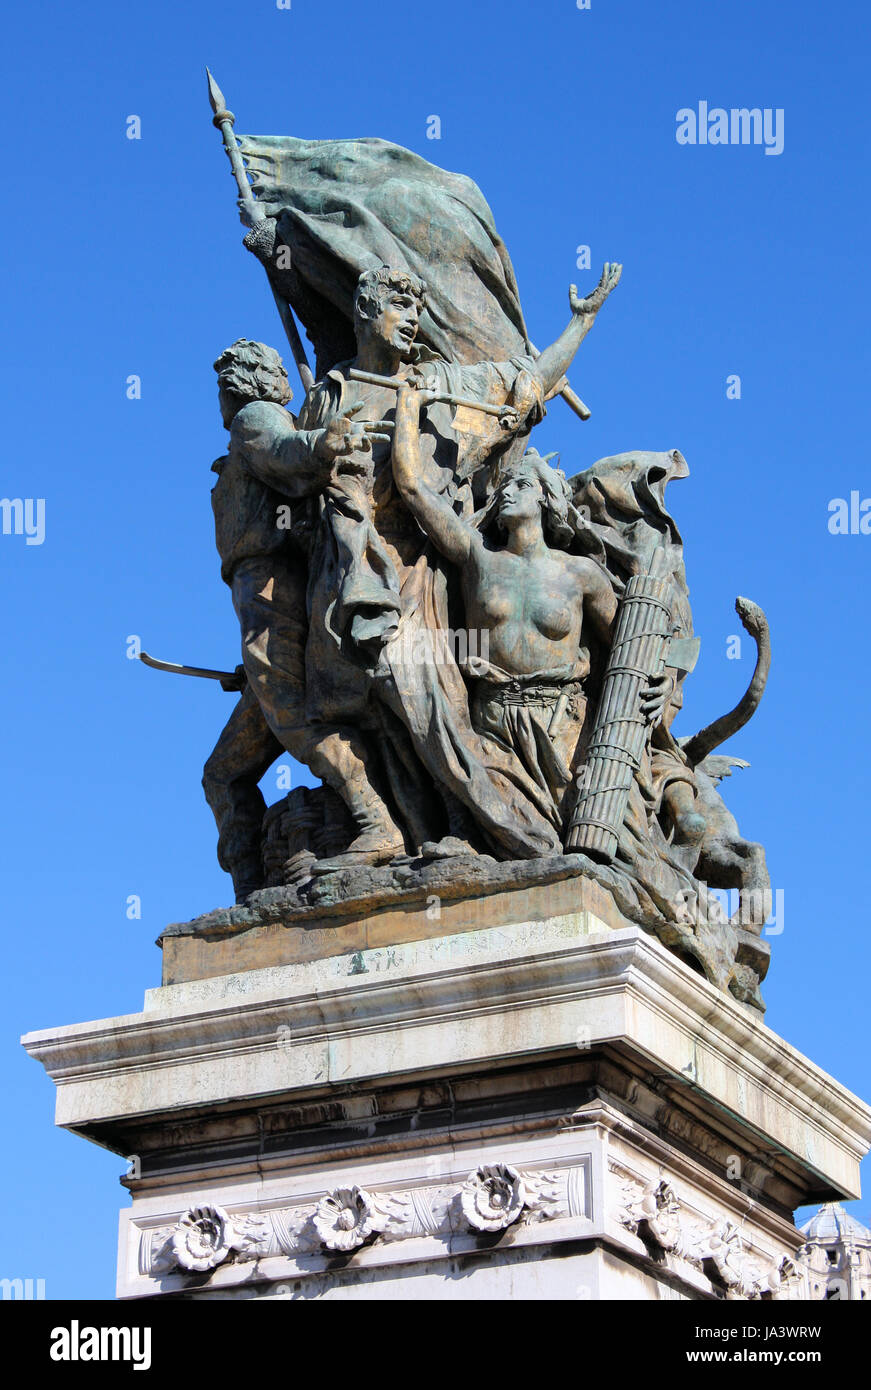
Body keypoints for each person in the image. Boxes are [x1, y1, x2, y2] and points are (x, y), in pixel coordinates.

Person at [202, 339, 404, 899]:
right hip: (265, 594)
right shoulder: (257, 422)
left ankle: (375, 821)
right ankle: (250, 887)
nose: (222, 397)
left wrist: (323, 442)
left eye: (224, 384)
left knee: (293, 716)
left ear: (243, 383)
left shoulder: (253, 418)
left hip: (265, 587)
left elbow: (288, 453)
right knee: (223, 772)